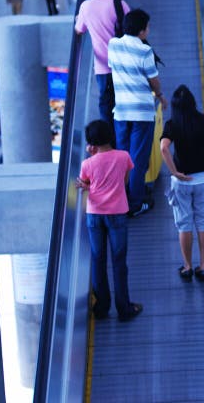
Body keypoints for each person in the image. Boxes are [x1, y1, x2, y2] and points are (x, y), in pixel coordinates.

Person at [76, 120, 143, 321]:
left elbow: (86, 183)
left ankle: (102, 308)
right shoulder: (124, 157)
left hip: (94, 214)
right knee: (119, 261)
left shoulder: (87, 163)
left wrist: (92, 157)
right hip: (117, 213)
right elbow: (124, 181)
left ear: (91, 143)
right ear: (111, 135)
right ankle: (124, 308)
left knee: (98, 260)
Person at [160, 85, 204, 282]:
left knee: (184, 224)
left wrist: (174, 172)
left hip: (182, 183)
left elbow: (164, 148)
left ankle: (188, 266)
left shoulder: (172, 125)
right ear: (193, 103)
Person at [107, 9, 168, 216]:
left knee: (123, 157)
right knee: (137, 159)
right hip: (142, 112)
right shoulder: (144, 51)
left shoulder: (113, 45)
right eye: (147, 27)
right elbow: (154, 80)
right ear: (142, 31)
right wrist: (160, 95)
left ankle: (121, 197)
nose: (148, 31)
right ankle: (134, 205)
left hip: (121, 111)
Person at [75, 0, 131, 128]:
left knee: (106, 105)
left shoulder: (85, 7)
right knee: (125, 102)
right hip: (124, 64)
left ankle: (109, 141)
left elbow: (79, 30)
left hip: (103, 67)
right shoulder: (119, 4)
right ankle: (123, 139)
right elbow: (133, 28)